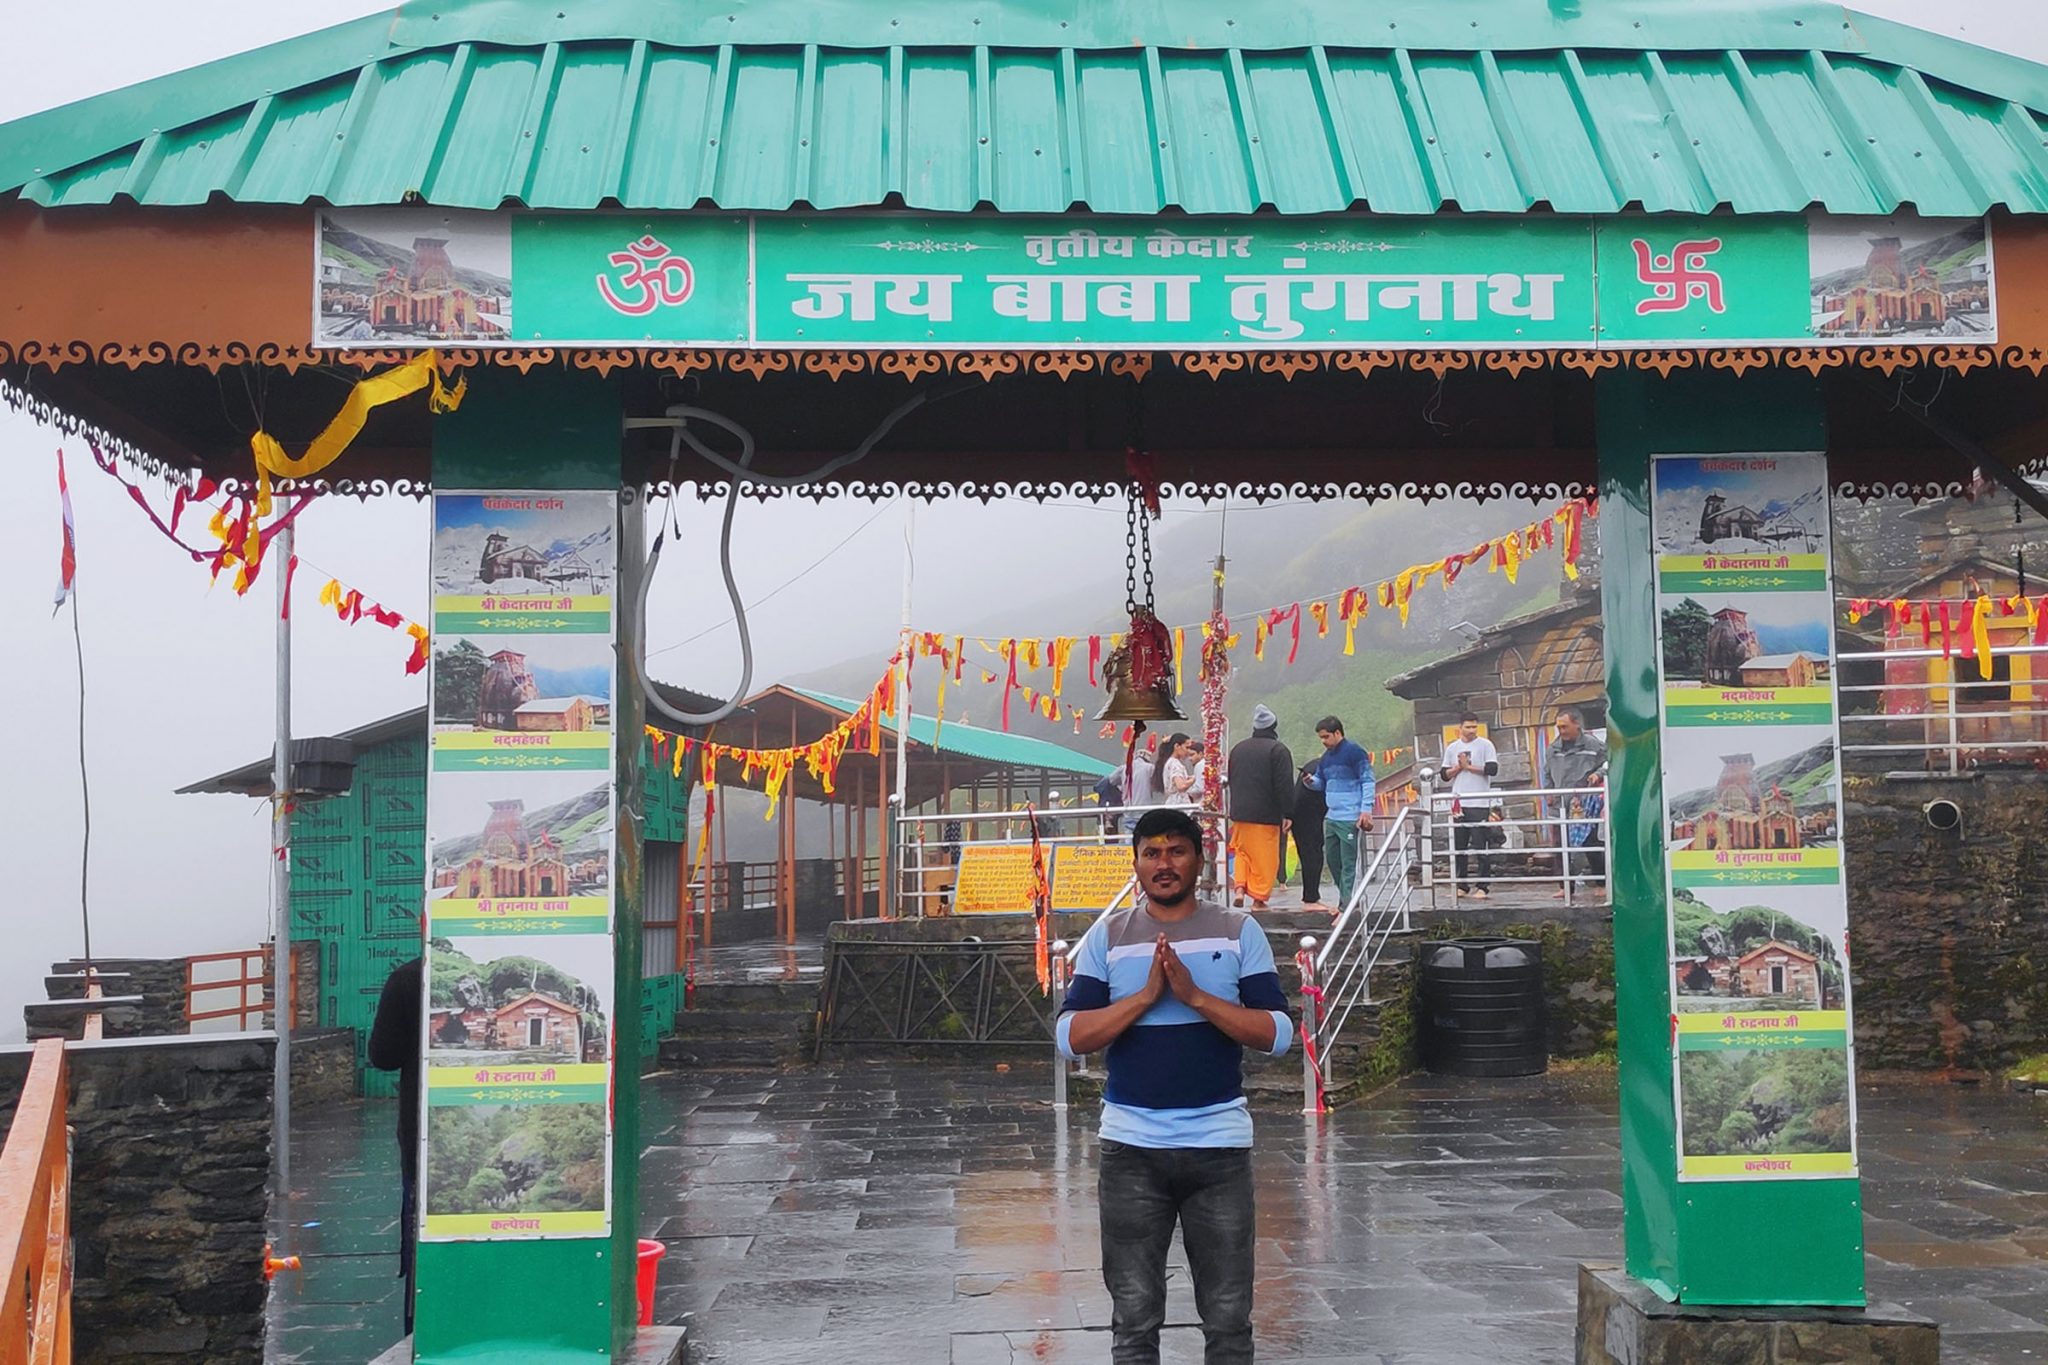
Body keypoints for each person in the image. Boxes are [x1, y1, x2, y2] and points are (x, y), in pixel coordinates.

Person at [1057, 808, 1293, 1365]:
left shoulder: (1238, 931)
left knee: (1230, 1319)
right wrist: (1141, 999)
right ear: (1136, 863)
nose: (1164, 864)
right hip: (1131, 1151)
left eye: (1176, 851)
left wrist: (1195, 998)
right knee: (1133, 1322)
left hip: (1220, 1150)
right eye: (1151, 853)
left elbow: (1278, 1033)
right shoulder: (1108, 937)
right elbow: (1069, 1037)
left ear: (1199, 859)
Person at [367, 955, 423, 1335]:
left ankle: (421, 1335)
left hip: (426, 1141)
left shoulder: (410, 977)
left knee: (424, 1247)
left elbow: (383, 1055)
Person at [1225, 704, 1294, 909]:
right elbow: (1284, 784)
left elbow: (1231, 779)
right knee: (1265, 859)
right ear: (1274, 726)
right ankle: (1258, 899)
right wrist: (1287, 812)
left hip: (1239, 813)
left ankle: (1239, 888)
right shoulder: (1278, 750)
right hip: (1265, 815)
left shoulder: (1238, 748)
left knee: (1243, 853)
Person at [1307, 716, 1375, 910]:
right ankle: (1345, 897)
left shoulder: (1355, 752)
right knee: (1333, 859)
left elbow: (1368, 780)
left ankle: (1346, 904)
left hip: (1350, 816)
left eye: (1326, 737)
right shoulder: (1326, 758)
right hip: (1332, 816)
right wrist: (1311, 781)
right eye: (1321, 738)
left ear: (1338, 733)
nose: (1323, 741)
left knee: (1348, 861)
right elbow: (1321, 782)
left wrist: (1365, 809)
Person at [1544, 704, 1608, 898]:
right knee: (1559, 847)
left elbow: (1609, 764)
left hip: (1584, 803)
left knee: (1591, 843)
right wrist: (1548, 792)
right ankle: (1565, 886)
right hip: (1560, 804)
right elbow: (1547, 773)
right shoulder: (1552, 749)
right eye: (1559, 727)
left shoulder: (1593, 745)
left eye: (1565, 727)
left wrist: (1597, 774)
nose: (1561, 731)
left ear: (1577, 725)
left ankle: (1601, 882)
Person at [1441, 712, 1500, 899]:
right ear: (1460, 728)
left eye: (1474, 727)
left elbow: (1492, 769)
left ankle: (1482, 885)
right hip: (1459, 802)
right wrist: (1459, 767)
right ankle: (1462, 883)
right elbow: (1444, 774)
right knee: (1460, 846)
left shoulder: (1485, 745)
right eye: (1468, 727)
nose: (1472, 730)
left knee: (1480, 845)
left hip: (1479, 801)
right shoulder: (1453, 748)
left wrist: (1470, 767)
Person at [1291, 762, 1327, 910]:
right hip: (1306, 814)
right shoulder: (1327, 767)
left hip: (1301, 813)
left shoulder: (1316, 765)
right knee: (1312, 855)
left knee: (1311, 855)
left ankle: (1312, 897)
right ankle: (1310, 899)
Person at [1160, 732, 1199, 808]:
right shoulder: (1175, 764)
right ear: (1177, 746)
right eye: (1186, 748)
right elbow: (1181, 786)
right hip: (1178, 804)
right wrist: (1194, 779)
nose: (1188, 751)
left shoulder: (1171, 762)